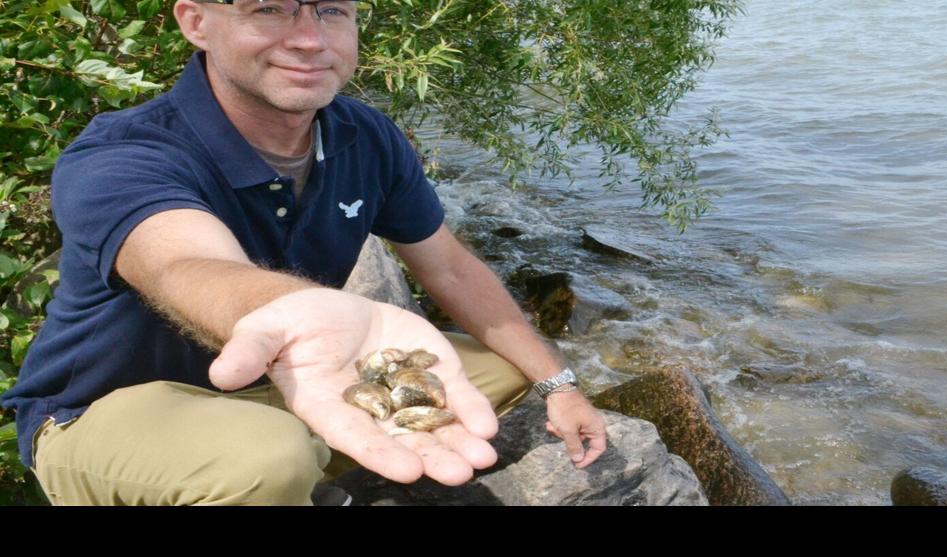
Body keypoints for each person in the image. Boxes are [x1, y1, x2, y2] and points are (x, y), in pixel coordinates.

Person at [0, 0, 608, 504]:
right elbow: (182, 262)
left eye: (332, 11)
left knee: (499, 370)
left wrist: (560, 385)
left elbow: (448, 265)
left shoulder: (364, 135)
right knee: (269, 458)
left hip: (287, 377)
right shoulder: (124, 153)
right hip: (105, 411)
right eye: (270, 9)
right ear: (195, 22)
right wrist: (300, 313)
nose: (311, 39)